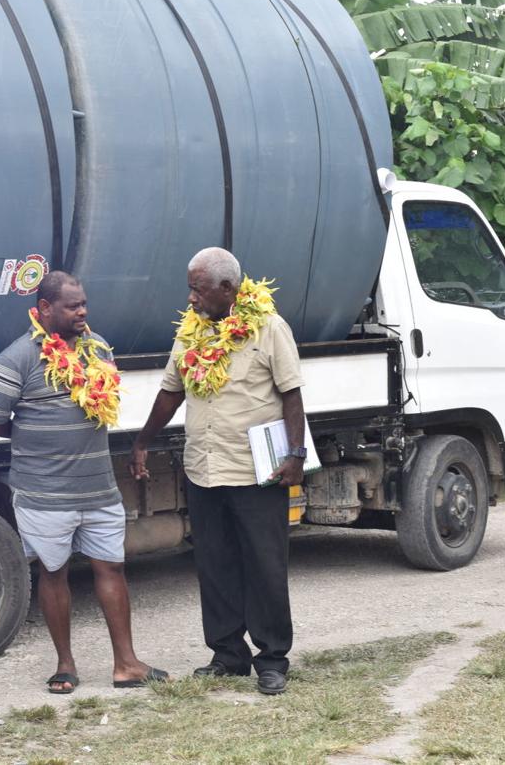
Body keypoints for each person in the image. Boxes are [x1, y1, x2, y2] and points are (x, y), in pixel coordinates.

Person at [0, 271, 168, 694]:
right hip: (43, 492)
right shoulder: (16, 358)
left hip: (99, 487)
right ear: (45, 309)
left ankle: (127, 665)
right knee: (54, 571)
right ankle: (65, 665)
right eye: (72, 306)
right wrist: (33, 436)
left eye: (83, 303)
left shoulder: (98, 348)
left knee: (112, 567)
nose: (82, 311)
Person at [129, 247, 305, 696]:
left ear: (227, 288)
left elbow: (291, 393)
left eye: (198, 288)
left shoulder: (269, 327)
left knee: (264, 565)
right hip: (204, 468)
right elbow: (171, 392)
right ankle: (228, 655)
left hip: (255, 472)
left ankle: (272, 659)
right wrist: (143, 440)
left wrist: (296, 454)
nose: (191, 298)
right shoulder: (190, 332)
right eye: (190, 288)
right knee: (214, 564)